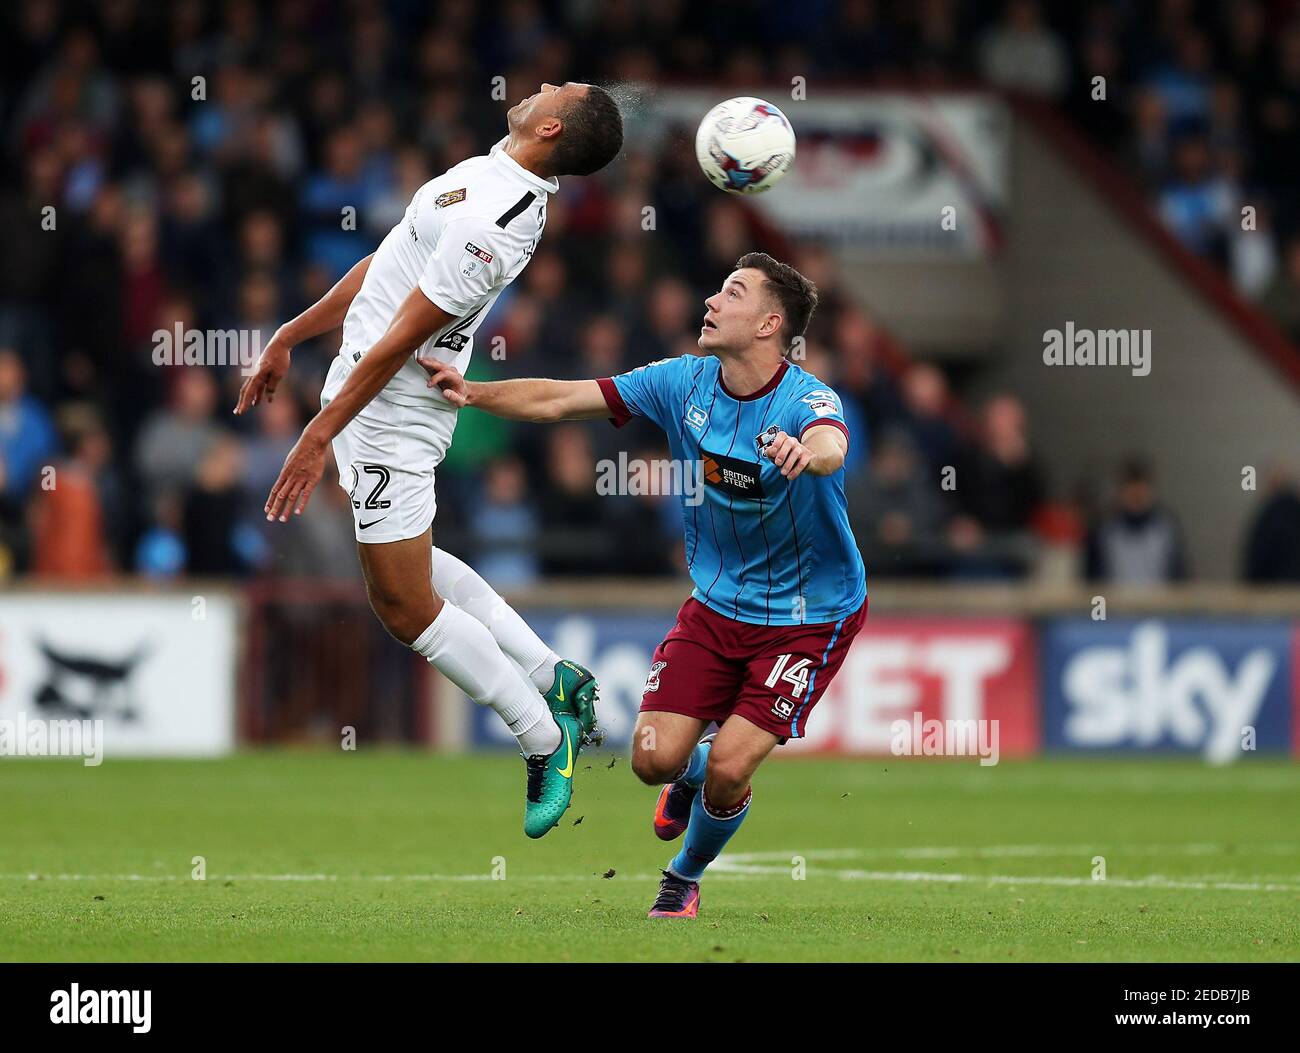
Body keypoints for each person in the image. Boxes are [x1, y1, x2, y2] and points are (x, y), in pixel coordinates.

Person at [234, 83, 624, 838]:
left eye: (558, 90)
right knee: (410, 565)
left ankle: (543, 738)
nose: (543, 84)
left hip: (390, 412)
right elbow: (390, 262)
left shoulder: (495, 223)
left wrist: (319, 430)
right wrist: (293, 331)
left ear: (551, 125)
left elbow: (399, 339)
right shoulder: (488, 168)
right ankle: (556, 676)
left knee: (403, 605)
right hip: (366, 392)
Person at [428, 253, 868, 918]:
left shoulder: (806, 399)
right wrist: (474, 392)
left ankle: (683, 874)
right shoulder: (680, 383)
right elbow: (562, 398)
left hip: (812, 615)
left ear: (769, 323)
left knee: (730, 767)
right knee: (652, 760)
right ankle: (685, 776)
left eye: (734, 293)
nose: (713, 301)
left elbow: (831, 440)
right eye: (718, 288)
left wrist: (809, 454)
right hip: (718, 605)